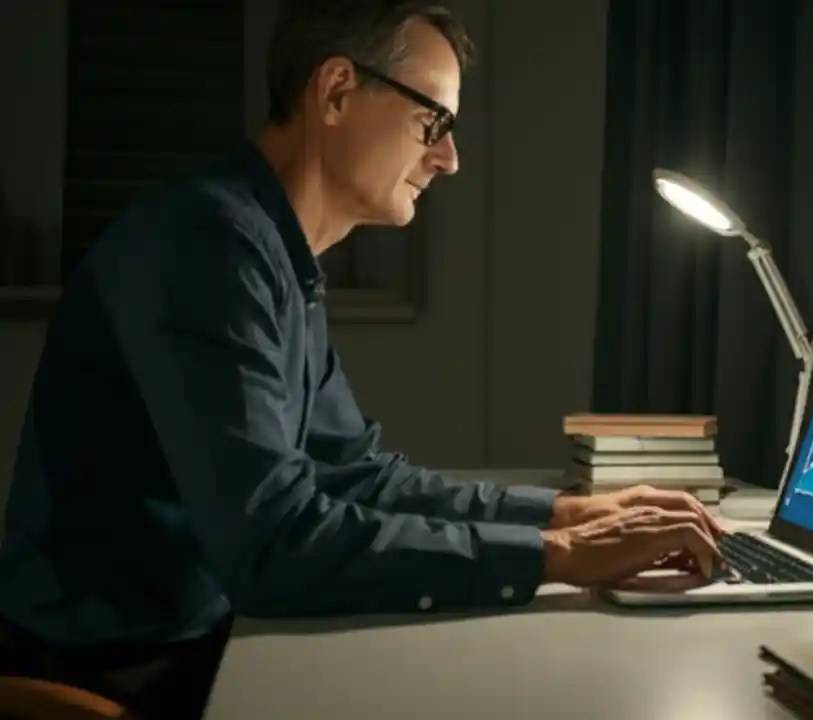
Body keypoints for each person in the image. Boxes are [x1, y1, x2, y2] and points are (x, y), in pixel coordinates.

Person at [0, 2, 725, 717]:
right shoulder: (210, 249)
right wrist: (556, 554)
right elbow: (275, 548)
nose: (448, 157)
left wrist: (571, 513)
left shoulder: (269, 250)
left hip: (183, 645)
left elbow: (356, 473)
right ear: (337, 91)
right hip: (109, 677)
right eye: (432, 122)